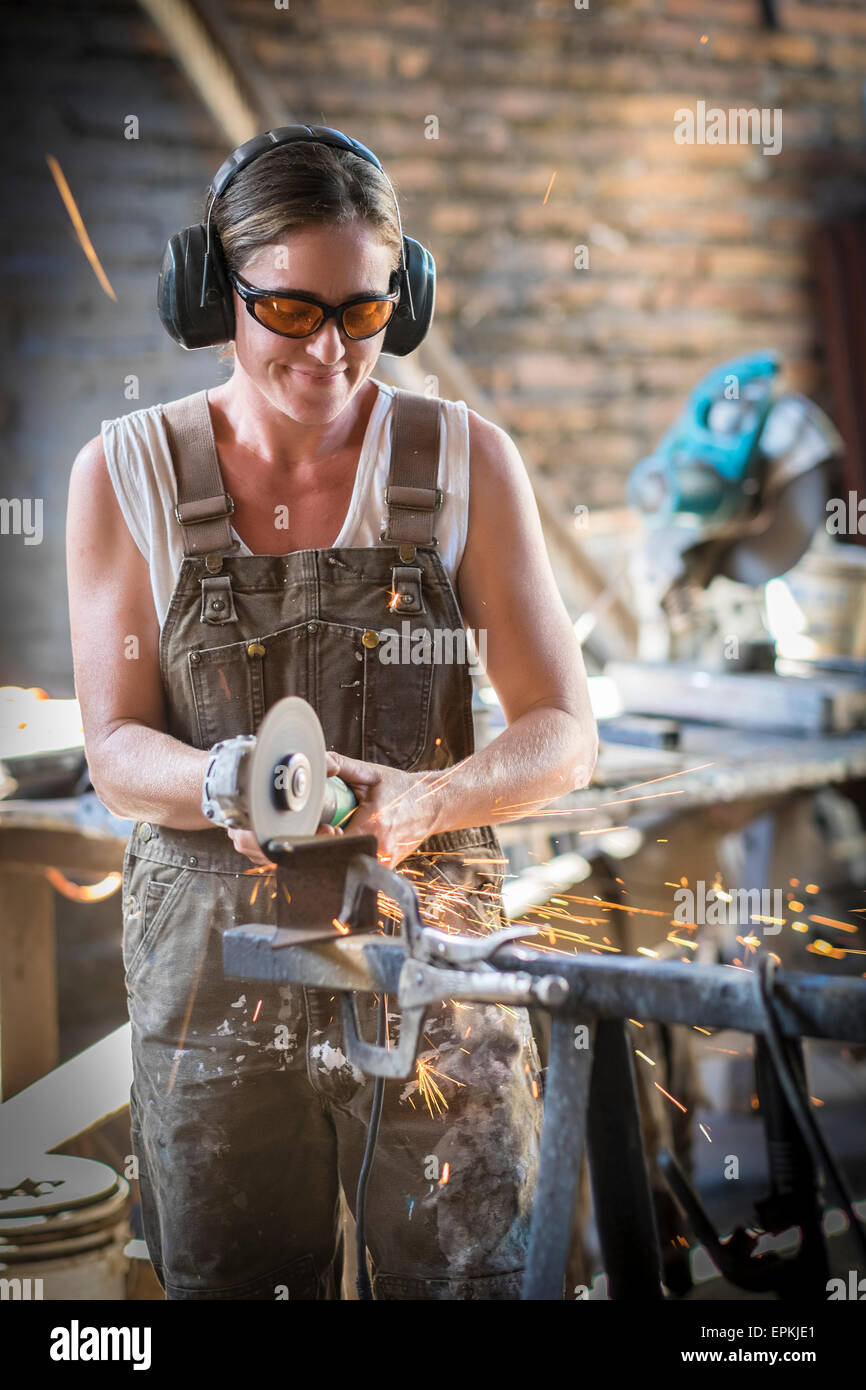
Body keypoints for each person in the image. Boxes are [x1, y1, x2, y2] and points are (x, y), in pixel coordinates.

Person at [66, 128, 598, 1300]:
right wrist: (225, 781)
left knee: (468, 1281)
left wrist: (437, 795)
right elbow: (114, 751)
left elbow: (565, 726)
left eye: (363, 313)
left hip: (427, 953)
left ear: (402, 300)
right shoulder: (127, 473)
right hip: (211, 975)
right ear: (213, 291)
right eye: (292, 310)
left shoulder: (464, 460)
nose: (331, 351)